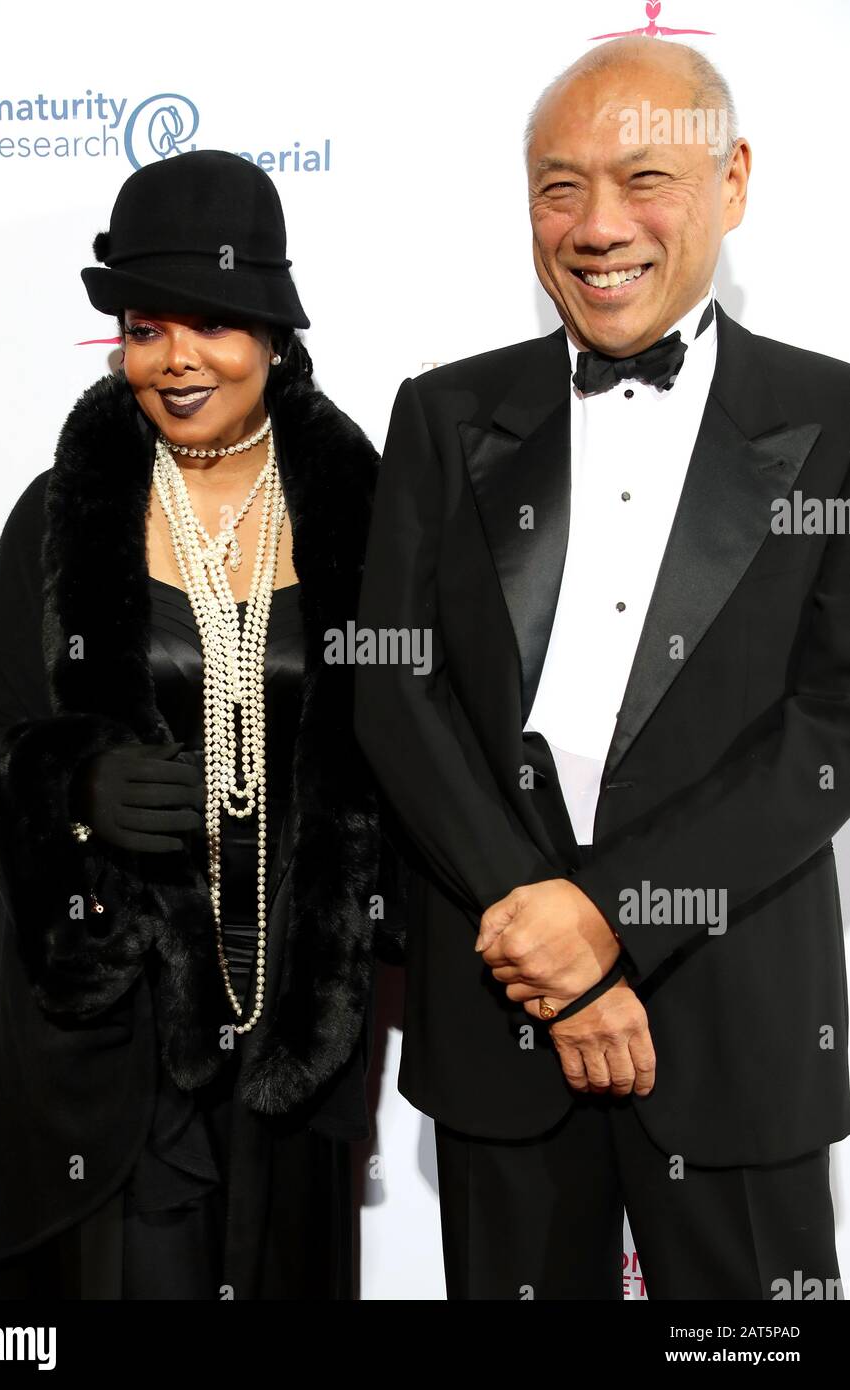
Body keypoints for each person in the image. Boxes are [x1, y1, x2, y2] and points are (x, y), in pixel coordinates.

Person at [354, 37, 850, 1300]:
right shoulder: (445, 413)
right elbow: (394, 688)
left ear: (732, 181)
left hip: (735, 1021)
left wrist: (611, 917)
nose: (597, 225)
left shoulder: (838, 424)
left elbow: (832, 719)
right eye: (558, 186)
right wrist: (545, 933)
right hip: (497, 1013)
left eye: (645, 178)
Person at [0, 149, 397, 1300]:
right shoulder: (58, 513)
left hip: (292, 1030)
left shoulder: (370, 520)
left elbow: (409, 750)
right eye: (147, 327)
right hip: (101, 1039)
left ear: (276, 334)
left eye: (215, 323)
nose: (178, 359)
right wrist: (71, 786)